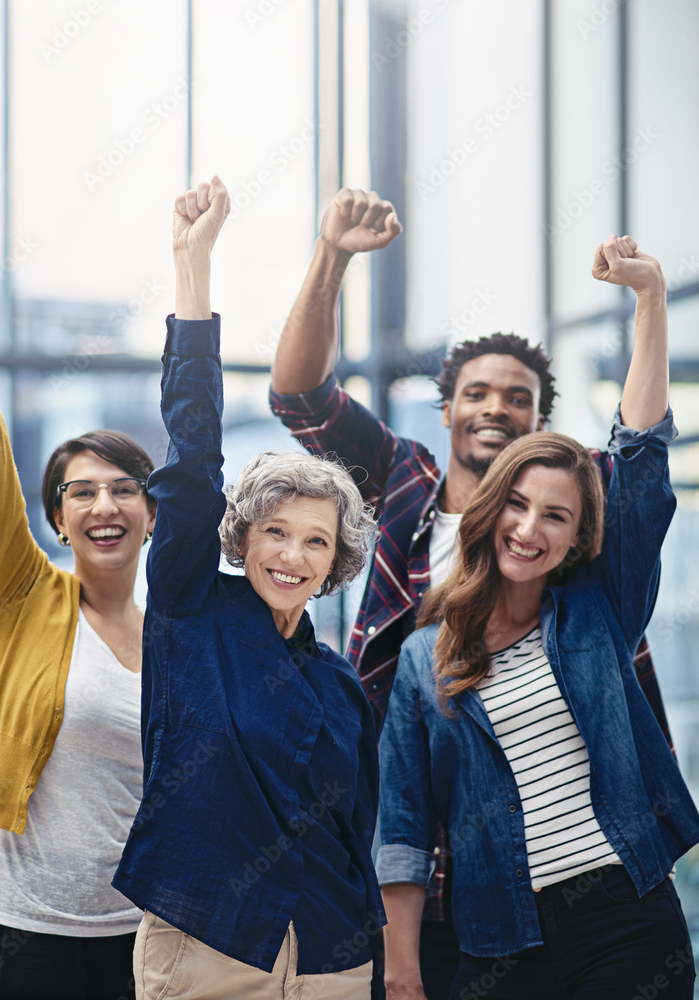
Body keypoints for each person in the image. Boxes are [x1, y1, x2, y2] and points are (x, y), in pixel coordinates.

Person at [269, 189, 675, 998]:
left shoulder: (577, 511)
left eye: (518, 398)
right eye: (479, 393)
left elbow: (639, 454)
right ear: (448, 407)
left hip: (593, 861)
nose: (496, 407)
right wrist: (334, 255)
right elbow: (299, 394)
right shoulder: (402, 480)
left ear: (539, 422)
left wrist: (649, 299)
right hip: (431, 847)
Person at [377, 232, 697, 999]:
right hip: (498, 939)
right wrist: (404, 974)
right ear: (489, 510)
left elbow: (641, 461)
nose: (529, 529)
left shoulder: (600, 609)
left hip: (628, 919)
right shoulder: (425, 658)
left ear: (579, 537)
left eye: (556, 515)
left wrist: (651, 299)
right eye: (516, 505)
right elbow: (402, 825)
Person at [112, 176, 384, 999]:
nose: (293, 556)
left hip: (334, 957)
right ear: (243, 537)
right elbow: (192, 459)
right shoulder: (192, 611)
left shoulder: (340, 683)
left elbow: (356, 834)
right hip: (210, 947)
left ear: (336, 561)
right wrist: (192, 269)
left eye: (316, 541)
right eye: (276, 532)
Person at [0, 223, 155, 1000]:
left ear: (151, 514)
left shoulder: (176, 640)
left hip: (136, 933)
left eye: (123, 489)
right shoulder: (22, 594)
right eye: (81, 492)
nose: (103, 505)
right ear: (58, 519)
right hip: (16, 933)